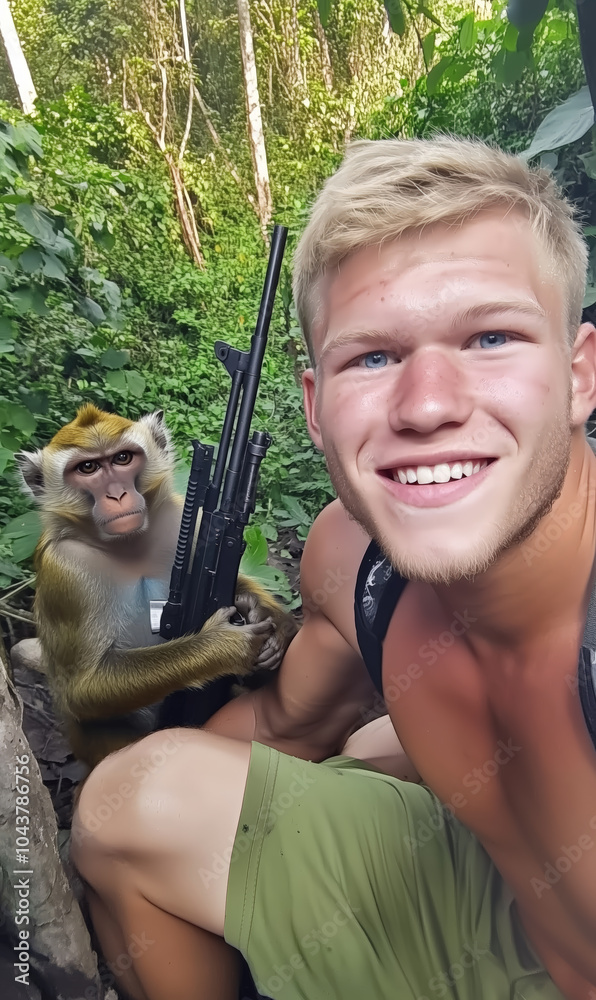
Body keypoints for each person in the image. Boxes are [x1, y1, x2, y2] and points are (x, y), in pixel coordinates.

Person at [71, 136, 596, 1000]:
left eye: (491, 336)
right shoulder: (358, 561)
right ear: (316, 409)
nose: (428, 405)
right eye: (374, 357)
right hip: (484, 908)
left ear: (578, 376)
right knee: (132, 802)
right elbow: (288, 725)